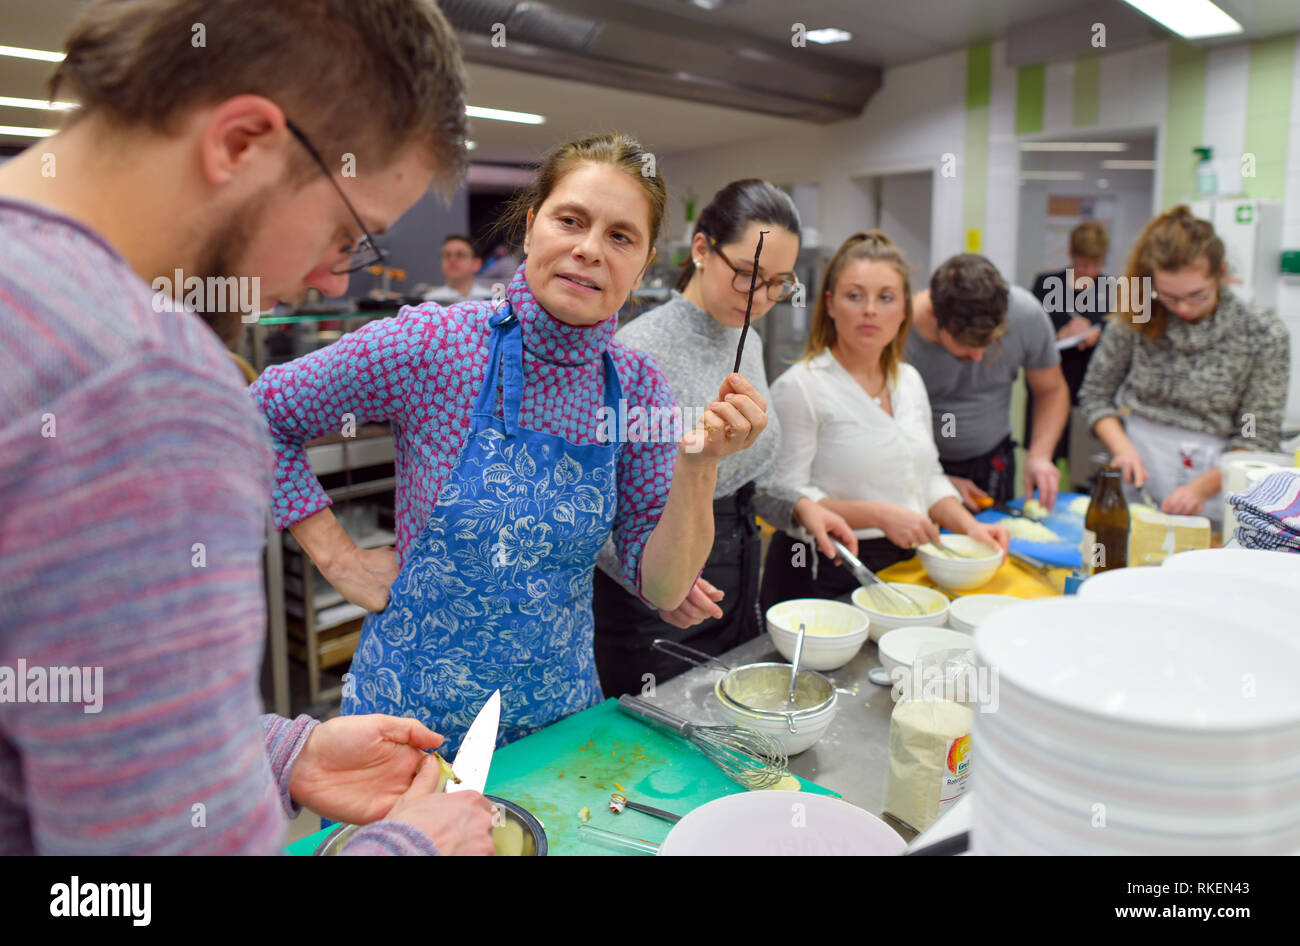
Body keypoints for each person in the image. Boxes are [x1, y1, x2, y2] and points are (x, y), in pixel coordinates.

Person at [0, 0, 494, 854]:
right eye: (346, 233)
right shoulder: (144, 384)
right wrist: (414, 848)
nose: (326, 280)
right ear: (240, 142)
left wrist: (272, 750)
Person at [251, 133, 770, 749]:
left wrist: (700, 464)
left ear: (646, 259)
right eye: (570, 220)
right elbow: (259, 411)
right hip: (407, 727)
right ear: (531, 228)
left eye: (620, 236)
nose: (588, 250)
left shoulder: (637, 388)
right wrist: (337, 557)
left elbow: (659, 586)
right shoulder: (435, 345)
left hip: (555, 728)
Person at [591, 180, 856, 697]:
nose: (760, 299)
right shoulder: (634, 352)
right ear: (701, 250)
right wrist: (651, 580)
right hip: (655, 597)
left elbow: (747, 471)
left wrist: (796, 507)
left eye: (778, 284)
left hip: (736, 578)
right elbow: (594, 500)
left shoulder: (748, 340)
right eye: (747, 276)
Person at [761, 232, 1009, 609]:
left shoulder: (908, 381)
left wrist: (970, 528)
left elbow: (927, 479)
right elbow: (783, 497)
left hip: (904, 565)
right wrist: (878, 515)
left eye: (886, 297)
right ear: (829, 304)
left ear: (905, 310)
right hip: (826, 572)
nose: (870, 310)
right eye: (855, 296)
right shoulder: (801, 387)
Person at [1078, 205, 1291, 522]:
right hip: (1140, 468)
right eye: (1169, 296)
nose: (1183, 308)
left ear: (1221, 274)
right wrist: (1123, 449)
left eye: (1198, 295)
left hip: (1218, 482)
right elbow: (1095, 395)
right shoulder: (1136, 319)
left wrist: (1200, 490)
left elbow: (1257, 436)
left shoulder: (1261, 333)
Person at [907, 254, 1069, 512]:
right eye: (967, 345)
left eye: (990, 342)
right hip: (915, 471)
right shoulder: (900, 331)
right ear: (934, 315)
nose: (979, 356)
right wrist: (933, 479)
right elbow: (881, 423)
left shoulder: (1026, 315)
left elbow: (1051, 390)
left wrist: (1040, 453)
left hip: (992, 461)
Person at [1029, 220, 1111, 469]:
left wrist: (1099, 334)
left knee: (1086, 461)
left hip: (1090, 386)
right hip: (1051, 379)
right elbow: (1031, 335)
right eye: (1083, 264)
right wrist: (1059, 335)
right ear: (1072, 256)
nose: (1089, 271)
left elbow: (1121, 337)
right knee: (1046, 455)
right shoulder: (1046, 284)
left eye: (1095, 264)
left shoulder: (1110, 289)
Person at [423, 233, 492, 303]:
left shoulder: (491, 301)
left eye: (460, 255)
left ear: (477, 264)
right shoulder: (428, 302)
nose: (452, 260)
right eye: (447, 255)